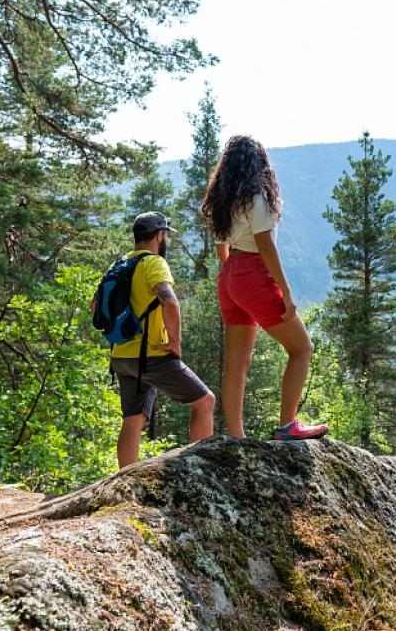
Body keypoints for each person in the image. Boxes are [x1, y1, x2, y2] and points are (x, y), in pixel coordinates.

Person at [201, 136, 328, 441]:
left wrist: (232, 275)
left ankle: (236, 437)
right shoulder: (257, 194)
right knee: (301, 348)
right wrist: (286, 293)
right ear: (259, 163)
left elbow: (222, 246)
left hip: (230, 276)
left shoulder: (224, 199)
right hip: (254, 273)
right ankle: (287, 427)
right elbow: (266, 246)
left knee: (236, 364)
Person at [109, 211, 216, 468]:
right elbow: (169, 301)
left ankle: (124, 483)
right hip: (153, 355)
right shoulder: (153, 263)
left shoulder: (118, 265)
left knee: (133, 419)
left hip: (121, 356)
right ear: (159, 235)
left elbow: (95, 307)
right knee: (205, 402)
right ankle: (202, 471)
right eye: (165, 234)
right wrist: (175, 343)